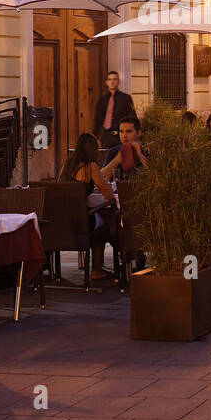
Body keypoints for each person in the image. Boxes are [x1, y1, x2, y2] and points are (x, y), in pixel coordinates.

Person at [59, 132, 115, 282]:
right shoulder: (91, 167)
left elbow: (59, 188)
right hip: (82, 224)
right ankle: (96, 269)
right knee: (105, 223)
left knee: (96, 218)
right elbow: (109, 195)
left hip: (63, 222)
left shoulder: (67, 164)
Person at [93, 70, 136, 153]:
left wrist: (133, 137)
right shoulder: (102, 100)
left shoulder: (126, 98)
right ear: (106, 82)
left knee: (122, 162)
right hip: (106, 138)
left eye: (114, 79)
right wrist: (95, 138)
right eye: (109, 79)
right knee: (106, 162)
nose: (112, 82)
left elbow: (132, 118)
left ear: (118, 81)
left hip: (121, 137)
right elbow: (97, 120)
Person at [103, 114, 149, 182]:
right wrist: (117, 159)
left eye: (128, 131)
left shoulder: (149, 149)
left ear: (139, 133)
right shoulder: (114, 151)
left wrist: (140, 155)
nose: (124, 136)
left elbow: (156, 177)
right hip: (118, 191)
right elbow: (101, 178)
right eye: (121, 132)